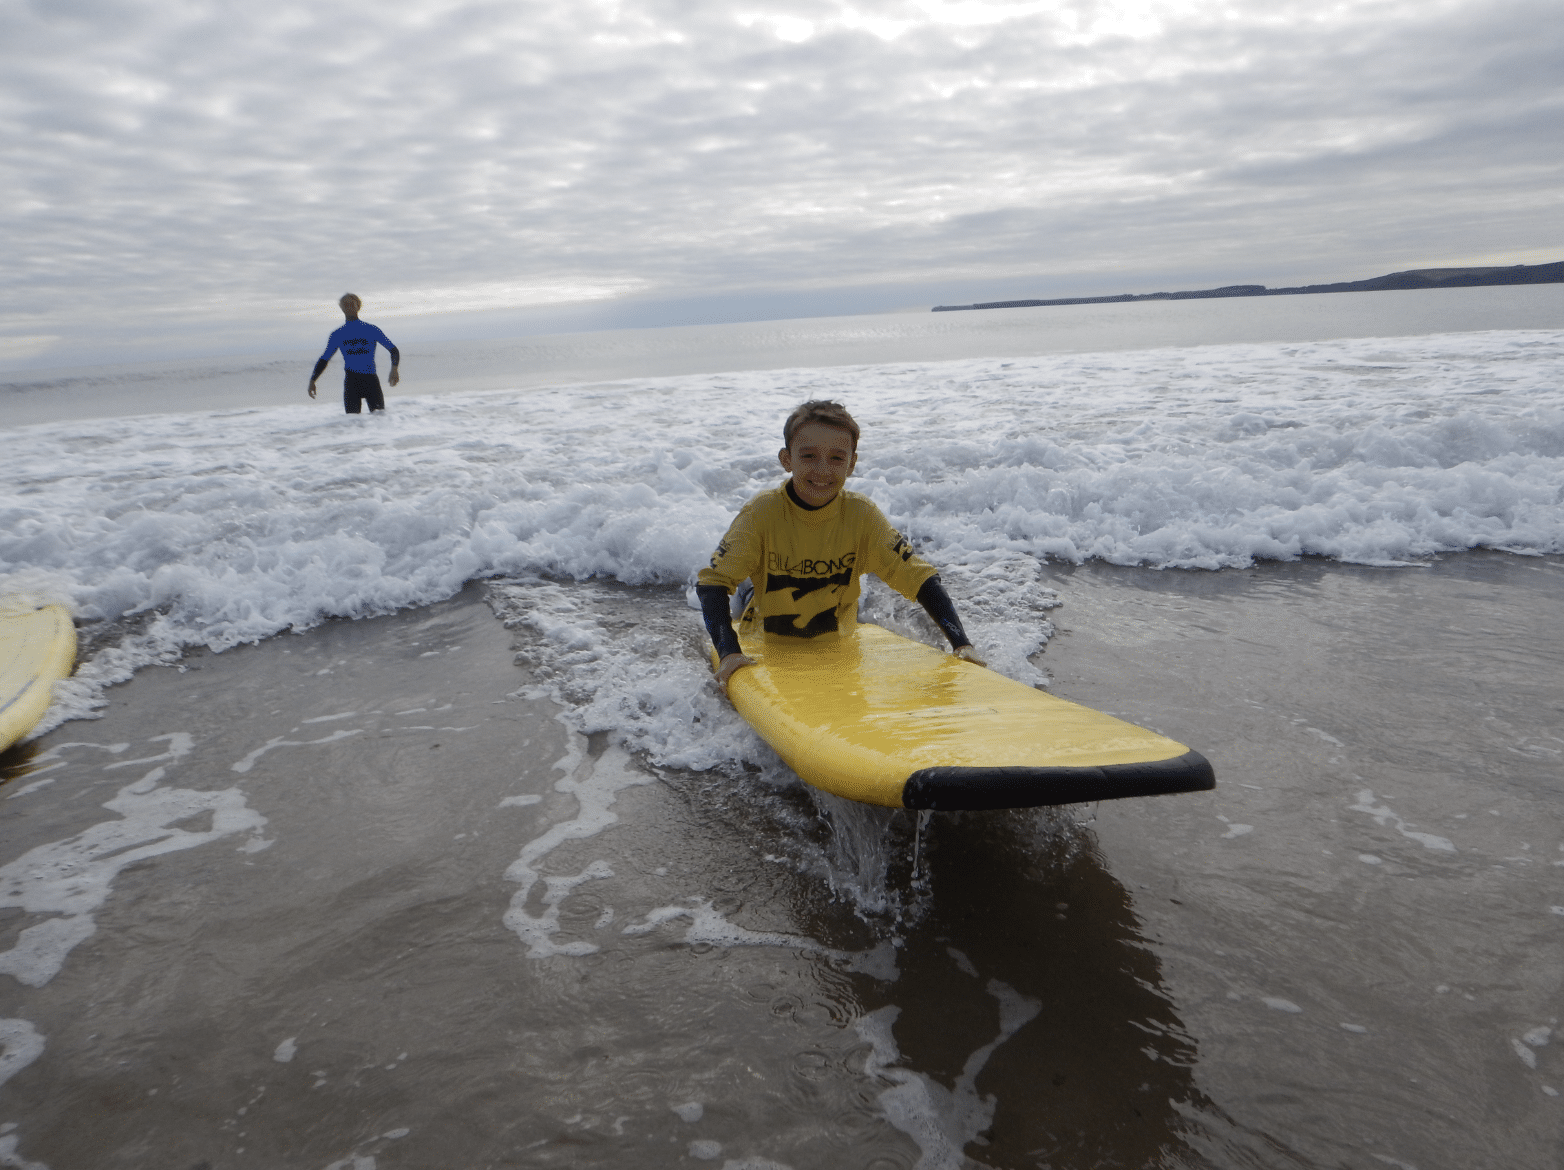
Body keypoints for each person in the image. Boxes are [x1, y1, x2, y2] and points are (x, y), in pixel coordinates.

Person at [696, 399, 986, 689]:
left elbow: (919, 577)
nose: (822, 470)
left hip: (837, 641)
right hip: (765, 637)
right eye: (808, 456)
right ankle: (748, 592)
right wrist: (729, 653)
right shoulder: (762, 513)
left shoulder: (862, 517)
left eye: (836, 458)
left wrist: (962, 644)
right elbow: (713, 583)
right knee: (748, 589)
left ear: (852, 463)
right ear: (787, 460)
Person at [308, 293, 400, 413]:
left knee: (380, 420)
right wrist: (312, 380)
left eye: (352, 304)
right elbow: (324, 359)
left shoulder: (371, 329)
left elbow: (393, 350)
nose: (349, 307)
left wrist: (394, 369)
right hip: (352, 382)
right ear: (342, 308)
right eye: (345, 305)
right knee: (352, 423)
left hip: (371, 381)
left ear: (358, 306)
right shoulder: (337, 334)